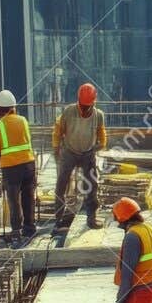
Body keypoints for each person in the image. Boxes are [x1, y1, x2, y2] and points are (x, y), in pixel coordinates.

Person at [53, 82, 109, 230]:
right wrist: (56, 148)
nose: (84, 109)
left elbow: (102, 135)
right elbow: (58, 130)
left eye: (86, 107)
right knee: (61, 184)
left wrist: (99, 146)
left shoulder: (98, 115)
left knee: (91, 185)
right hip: (69, 152)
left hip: (87, 153)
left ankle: (91, 218)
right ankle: (59, 219)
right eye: (82, 106)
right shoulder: (69, 112)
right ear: (78, 101)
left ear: (93, 103)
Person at [0, 89, 36, 243]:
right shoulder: (23, 120)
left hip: (11, 168)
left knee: (14, 201)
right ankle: (30, 229)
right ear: (13, 107)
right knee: (28, 197)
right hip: (29, 164)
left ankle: (16, 232)